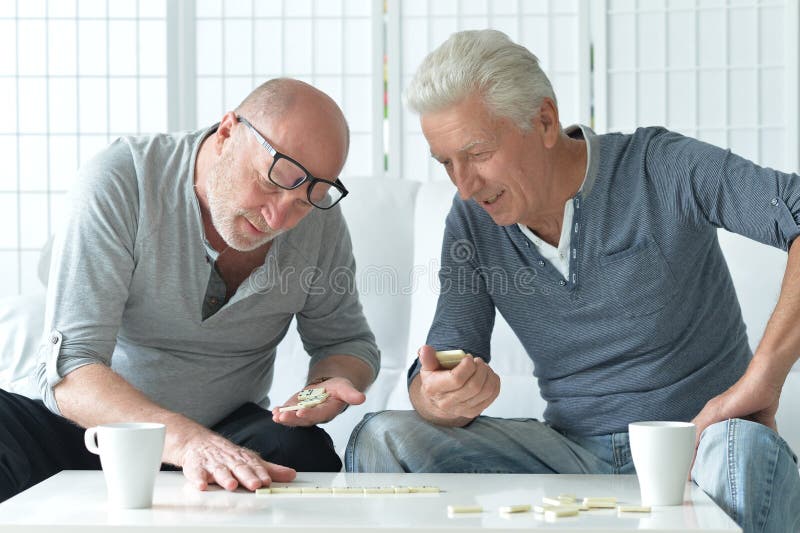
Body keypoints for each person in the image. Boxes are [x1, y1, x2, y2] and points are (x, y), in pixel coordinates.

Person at [345, 30, 800, 533]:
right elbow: (445, 355)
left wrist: (763, 378)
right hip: (572, 453)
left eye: (476, 153)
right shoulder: (472, 222)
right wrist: (436, 396)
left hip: (697, 445)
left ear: (544, 120)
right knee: (382, 437)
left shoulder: (660, 166)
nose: (464, 185)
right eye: (446, 163)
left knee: (744, 447)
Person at [0, 78, 380, 503]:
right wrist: (185, 442)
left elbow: (345, 342)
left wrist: (328, 384)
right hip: (80, 429)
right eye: (271, 183)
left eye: (306, 201)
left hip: (225, 430)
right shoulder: (124, 180)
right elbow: (71, 368)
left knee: (300, 453)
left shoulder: (319, 224)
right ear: (227, 133)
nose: (278, 218)